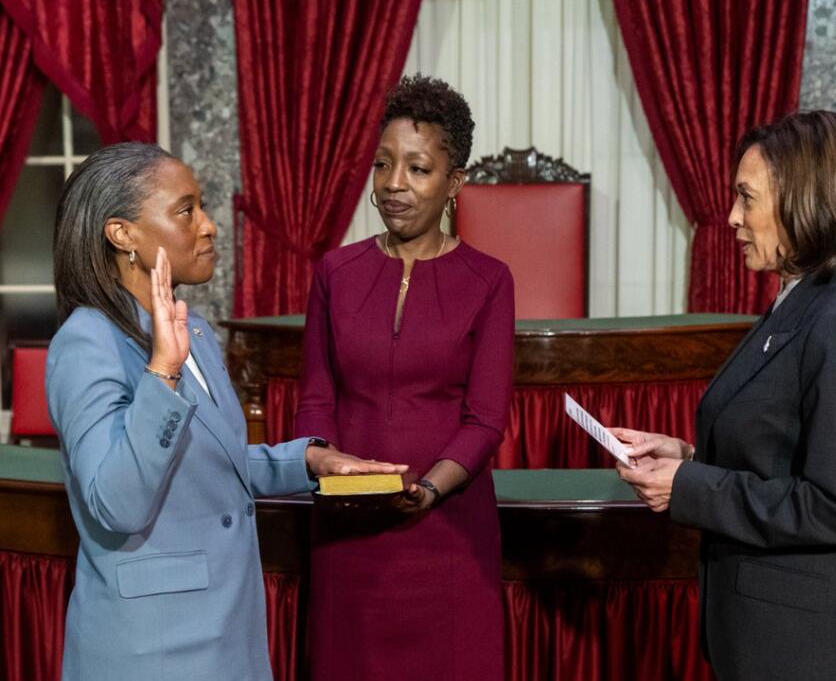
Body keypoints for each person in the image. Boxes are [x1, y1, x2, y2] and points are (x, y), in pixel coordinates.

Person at [46, 143, 405, 681]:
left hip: (227, 635)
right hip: (151, 651)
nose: (209, 226)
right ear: (123, 235)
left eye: (203, 207)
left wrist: (307, 460)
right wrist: (162, 371)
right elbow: (116, 504)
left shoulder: (193, 331)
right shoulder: (86, 342)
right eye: (186, 210)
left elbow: (208, 463)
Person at [614, 111, 836, 680]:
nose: (731, 217)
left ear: (805, 201)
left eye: (745, 198)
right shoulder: (801, 300)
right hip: (779, 641)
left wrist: (691, 487)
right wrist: (688, 458)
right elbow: (781, 449)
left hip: (821, 648)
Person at [295, 74, 514, 681]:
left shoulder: (490, 280)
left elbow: (487, 417)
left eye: (417, 169)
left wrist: (430, 491)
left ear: (454, 183)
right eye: (383, 165)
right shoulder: (334, 272)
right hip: (347, 532)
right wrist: (328, 465)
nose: (394, 185)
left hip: (448, 533)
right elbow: (315, 397)